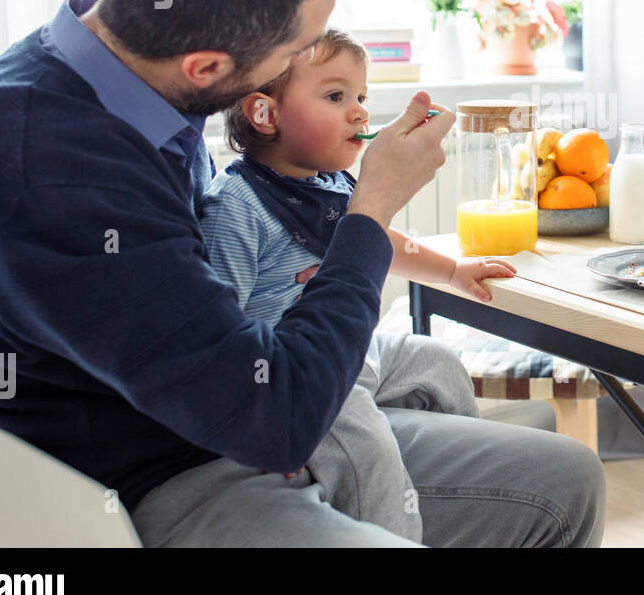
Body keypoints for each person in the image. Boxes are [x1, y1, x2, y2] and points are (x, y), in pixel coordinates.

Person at [0, 0, 605, 547]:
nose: (301, 64)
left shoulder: (115, 67)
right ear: (209, 70)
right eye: (295, 50)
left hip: (209, 413)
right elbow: (275, 416)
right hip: (137, 482)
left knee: (565, 479)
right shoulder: (60, 177)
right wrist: (372, 209)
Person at [200, 28, 514, 542]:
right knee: (368, 451)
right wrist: (263, 429)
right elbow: (220, 328)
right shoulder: (235, 207)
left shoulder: (328, 182)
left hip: (353, 351)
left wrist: (454, 272)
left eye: (362, 97)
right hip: (299, 382)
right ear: (265, 114)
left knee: (437, 360)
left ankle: (467, 476)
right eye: (335, 96)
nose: (361, 112)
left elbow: (378, 237)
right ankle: (396, 531)